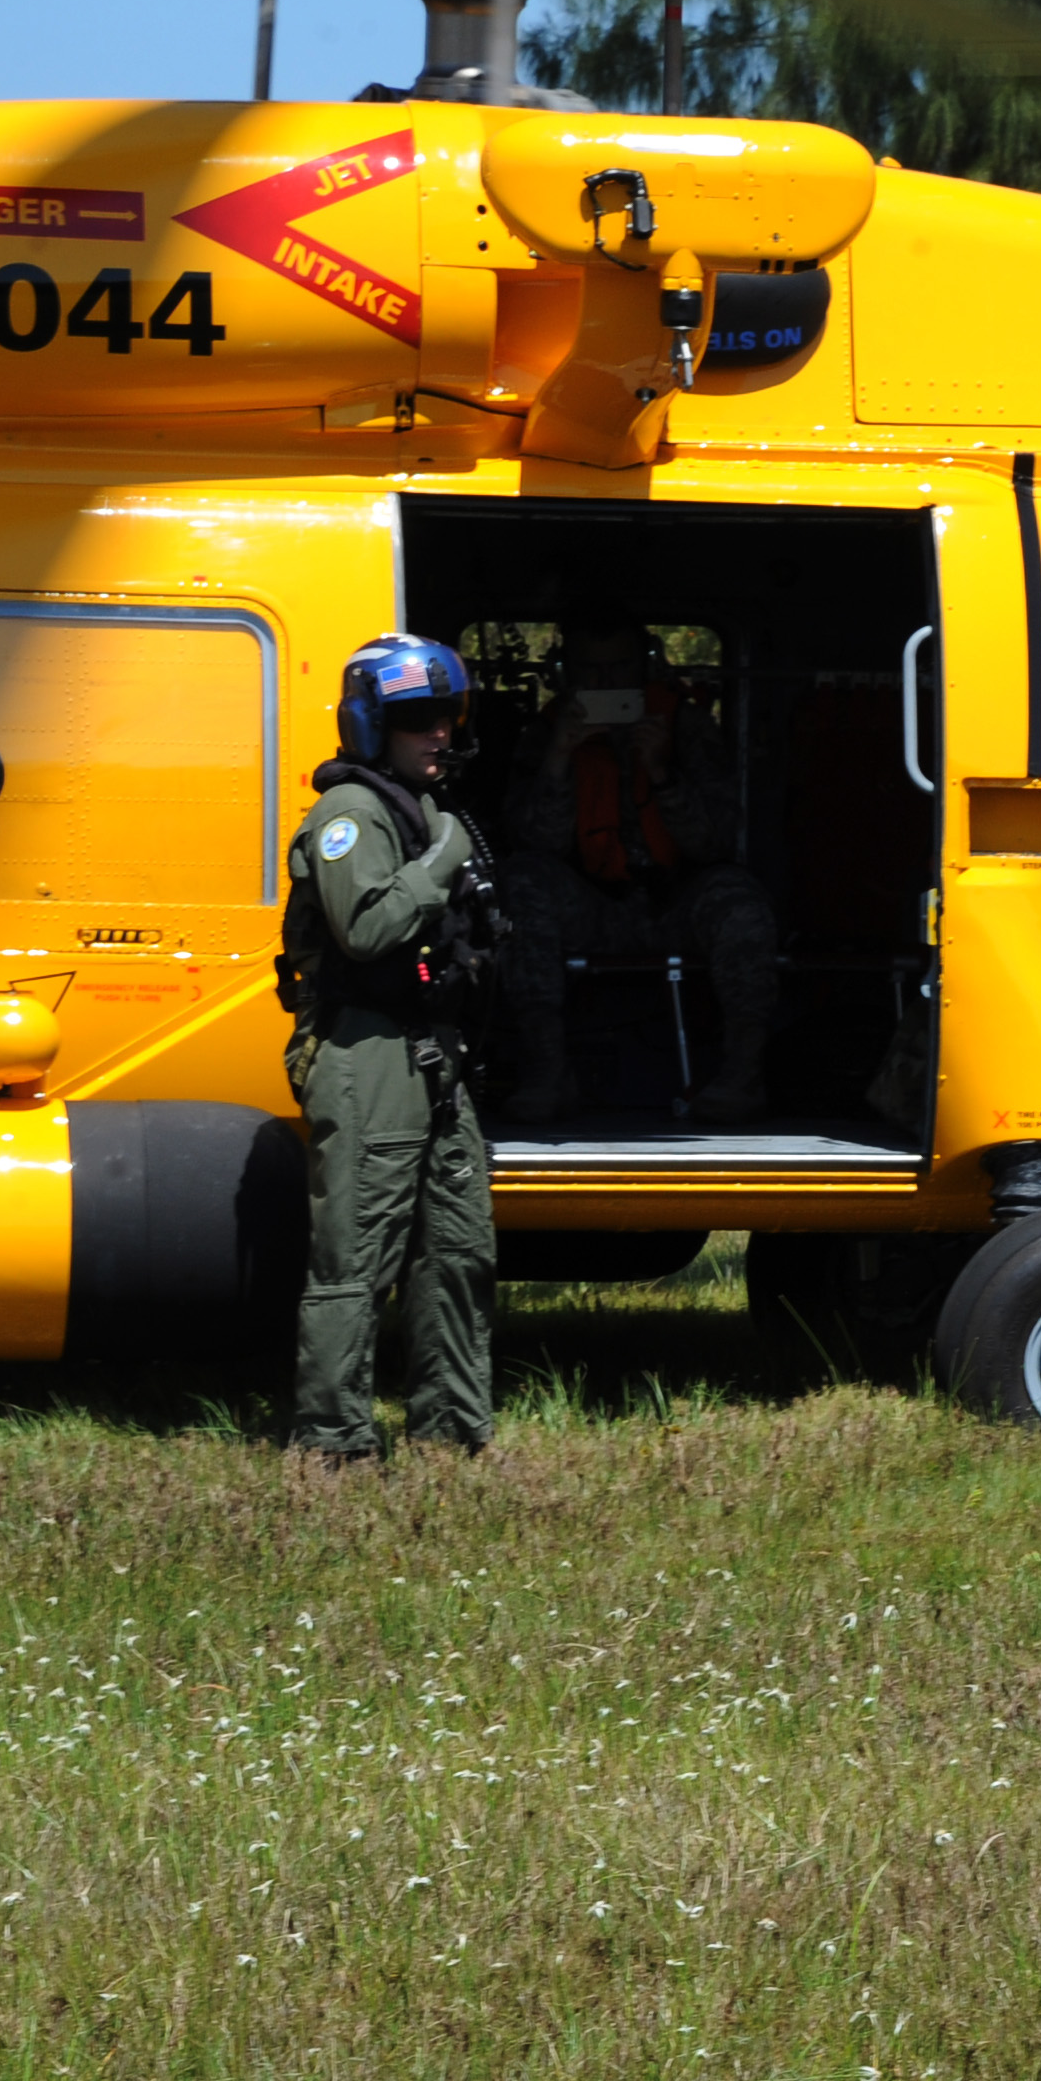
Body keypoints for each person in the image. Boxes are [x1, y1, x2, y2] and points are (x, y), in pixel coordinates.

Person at [280, 634, 504, 1469]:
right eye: (418, 720)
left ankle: (451, 1432)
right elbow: (368, 927)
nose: (439, 734)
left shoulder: (417, 807)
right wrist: (444, 859)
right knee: (357, 1253)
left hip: (430, 1052)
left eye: (447, 716)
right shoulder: (352, 815)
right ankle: (333, 1441)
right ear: (373, 726)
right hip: (367, 1052)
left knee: (458, 1247)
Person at [494, 616, 782, 1125]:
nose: (605, 683)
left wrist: (662, 772)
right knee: (521, 882)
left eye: (619, 668)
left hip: (675, 903)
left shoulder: (686, 724)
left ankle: (743, 1078)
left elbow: (716, 841)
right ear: (567, 672)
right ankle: (548, 1074)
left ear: (645, 665)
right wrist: (560, 757)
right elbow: (532, 843)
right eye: (590, 670)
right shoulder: (547, 731)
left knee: (739, 897)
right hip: (590, 904)